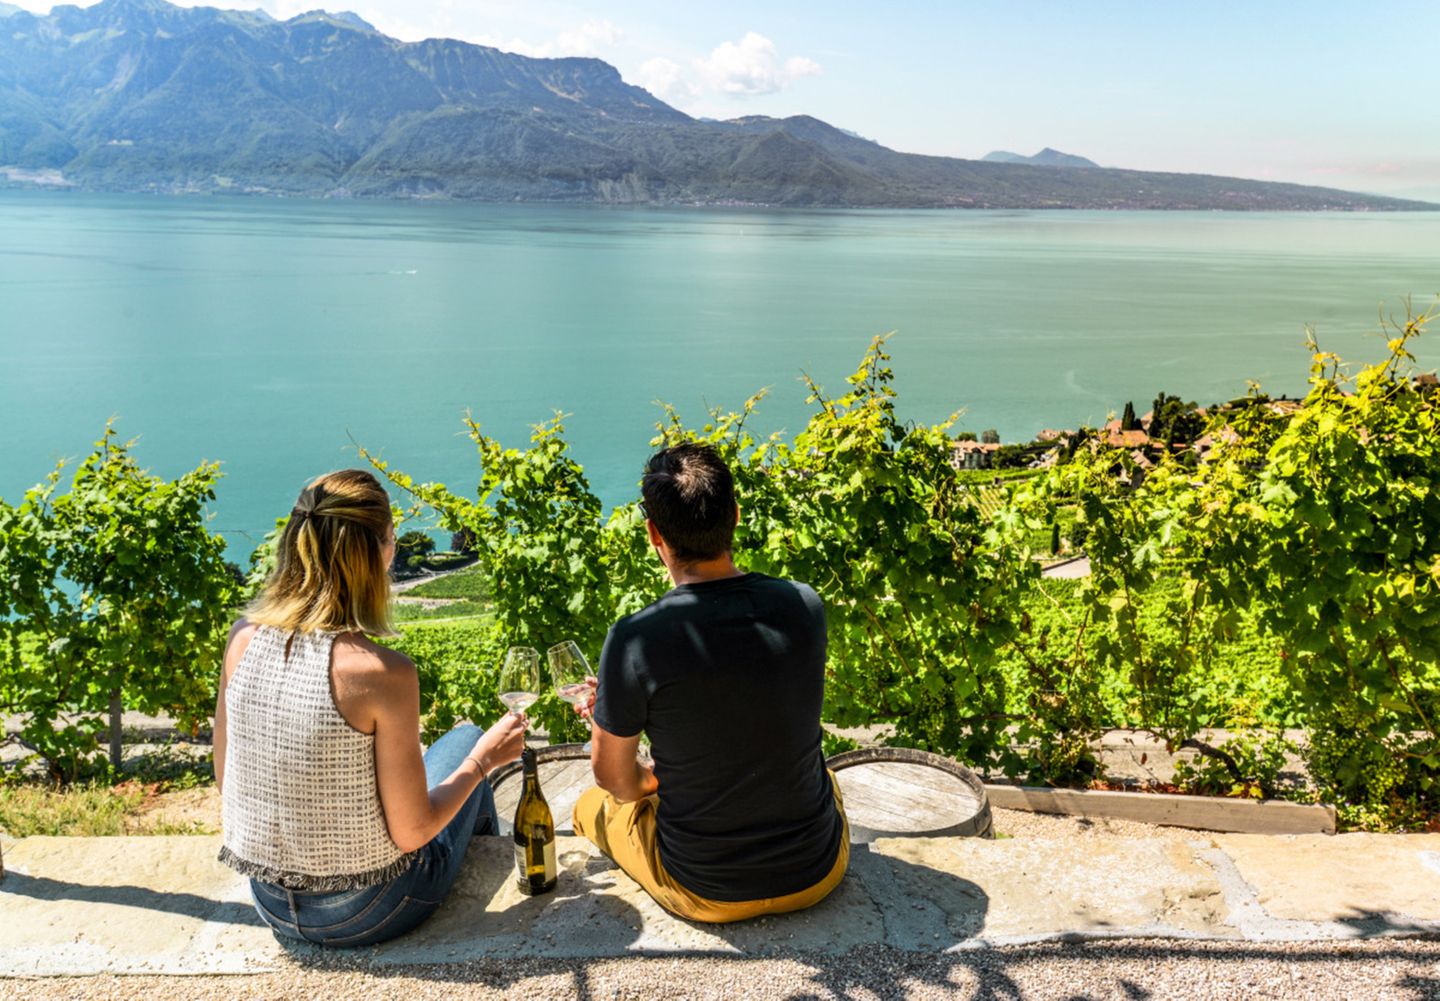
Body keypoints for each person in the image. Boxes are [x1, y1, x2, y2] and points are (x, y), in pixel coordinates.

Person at [214, 469, 527, 947]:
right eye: (391, 539)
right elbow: (413, 831)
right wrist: (485, 759)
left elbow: (225, 776)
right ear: (381, 552)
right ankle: (506, 865)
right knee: (466, 743)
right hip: (370, 908)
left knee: (440, 765)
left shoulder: (243, 639)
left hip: (270, 902)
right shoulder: (382, 673)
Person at [571, 443, 849, 923]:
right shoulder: (804, 605)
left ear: (653, 533)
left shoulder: (635, 638)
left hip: (705, 890)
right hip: (817, 873)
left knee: (588, 807)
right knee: (824, 777)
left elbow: (615, 779)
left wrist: (654, 770)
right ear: (735, 516)